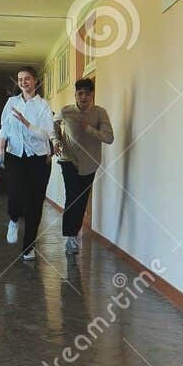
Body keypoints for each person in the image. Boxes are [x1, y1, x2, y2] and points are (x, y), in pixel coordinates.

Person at [0, 65, 57, 263]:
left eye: (27, 78)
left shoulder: (43, 106)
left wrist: (26, 123)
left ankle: (28, 246)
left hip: (38, 158)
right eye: (20, 79)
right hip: (15, 155)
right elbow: (4, 127)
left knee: (34, 203)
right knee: (15, 194)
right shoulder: (11, 102)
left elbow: (45, 134)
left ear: (35, 81)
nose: (23, 82)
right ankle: (13, 219)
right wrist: (1, 144)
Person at [54, 78, 115, 254]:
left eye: (87, 93)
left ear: (92, 95)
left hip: (90, 163)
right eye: (80, 93)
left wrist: (89, 129)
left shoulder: (100, 113)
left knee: (81, 199)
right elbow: (54, 123)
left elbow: (109, 138)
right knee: (72, 196)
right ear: (75, 94)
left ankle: (75, 233)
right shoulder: (66, 111)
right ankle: (70, 237)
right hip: (68, 160)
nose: (83, 97)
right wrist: (56, 140)